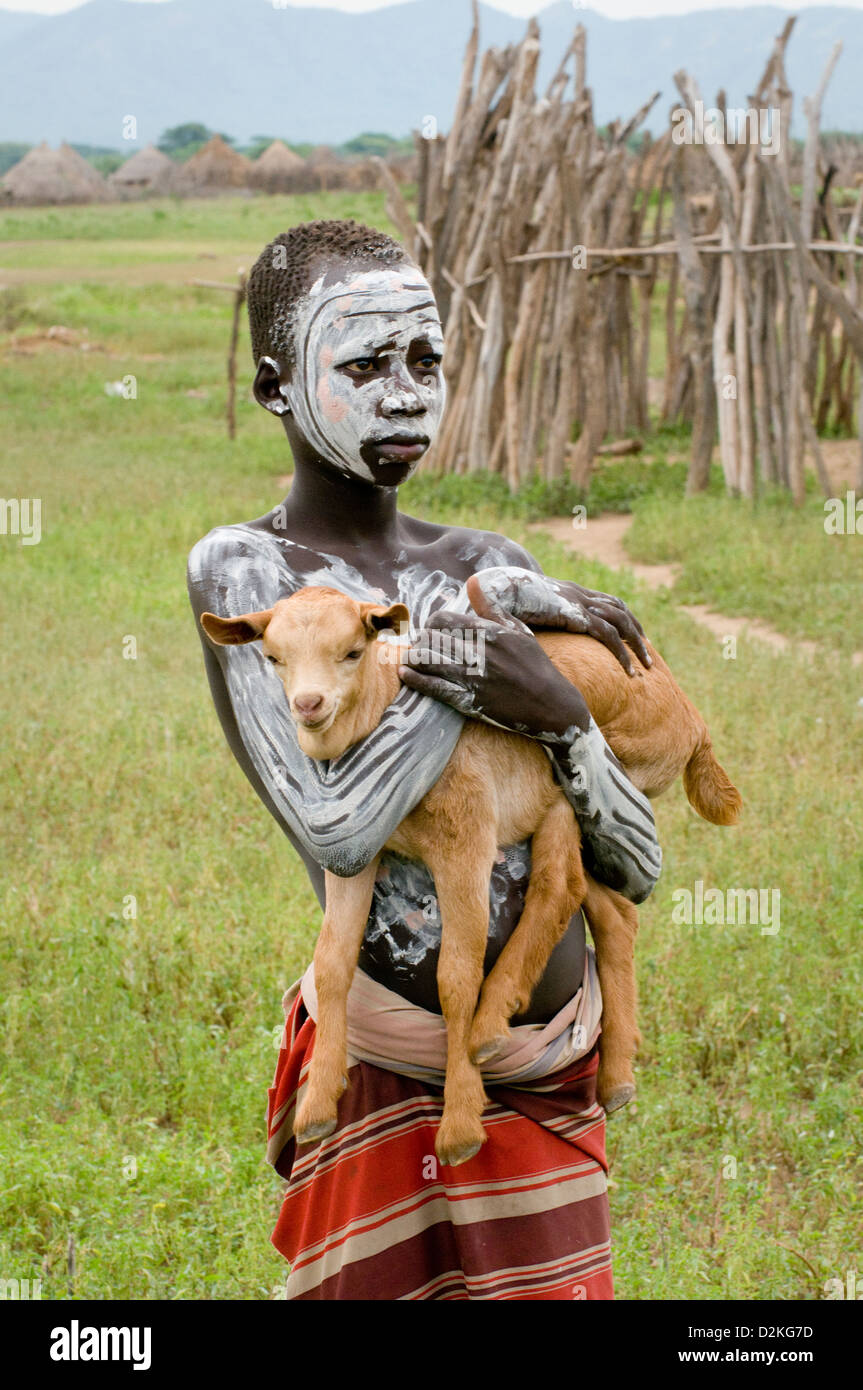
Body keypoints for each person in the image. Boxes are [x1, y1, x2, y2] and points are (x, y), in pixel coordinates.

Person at [187, 220, 661, 1300]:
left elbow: (631, 861)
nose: (405, 392)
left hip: (547, 1060)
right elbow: (337, 826)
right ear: (274, 385)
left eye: (425, 360)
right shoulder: (252, 574)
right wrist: (463, 649)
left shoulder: (493, 563)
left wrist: (566, 717)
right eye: (364, 363)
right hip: (389, 1057)